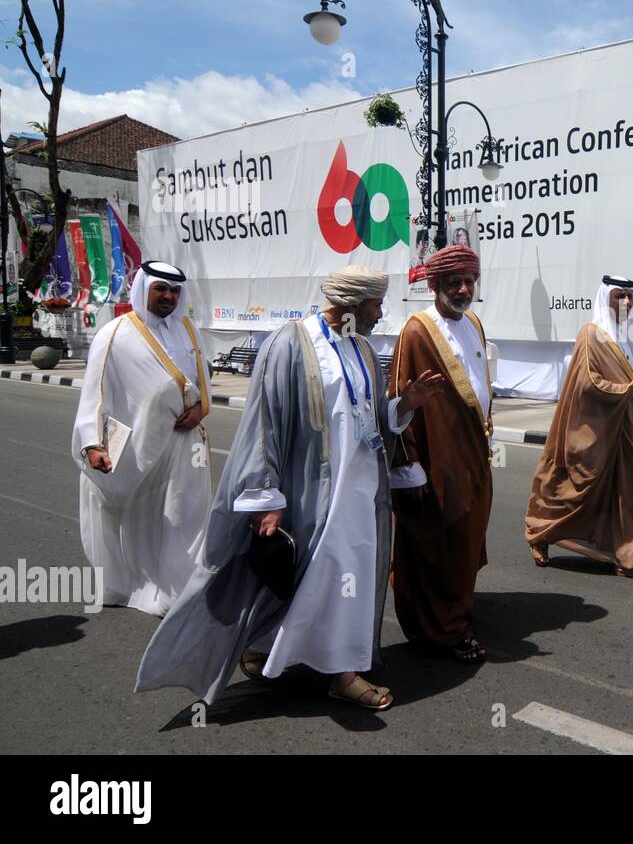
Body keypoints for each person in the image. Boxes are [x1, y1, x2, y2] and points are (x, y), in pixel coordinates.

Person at [136, 266, 442, 710]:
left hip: (360, 496)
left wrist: (403, 406)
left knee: (343, 583)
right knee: (308, 579)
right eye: (375, 304)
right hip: (310, 496)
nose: (380, 312)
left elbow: (370, 421)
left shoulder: (362, 349)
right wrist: (265, 498)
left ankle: (333, 666)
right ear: (352, 304)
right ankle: (328, 669)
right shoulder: (290, 344)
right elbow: (264, 425)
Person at [71, 260, 211, 616]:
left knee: (185, 515)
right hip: (137, 448)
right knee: (137, 519)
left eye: (174, 291)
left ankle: (181, 591)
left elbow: (202, 379)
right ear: (143, 289)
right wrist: (92, 443)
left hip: (185, 444)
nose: (168, 296)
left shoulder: (187, 330)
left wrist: (201, 409)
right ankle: (139, 584)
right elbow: (95, 393)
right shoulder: (115, 333)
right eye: (160, 289)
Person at [388, 244, 494, 663]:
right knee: (438, 539)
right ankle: (444, 630)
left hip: (473, 453)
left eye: (469, 281)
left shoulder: (474, 324)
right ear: (435, 285)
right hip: (435, 456)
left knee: (465, 536)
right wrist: (408, 465)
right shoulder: (417, 331)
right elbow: (398, 400)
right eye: (454, 282)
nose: (463, 289)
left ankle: (455, 608)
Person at [524, 275, 633, 581]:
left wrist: (631, 399)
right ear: (605, 298)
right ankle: (540, 533)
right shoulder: (591, 333)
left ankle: (629, 558)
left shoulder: (628, 336)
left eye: (629, 297)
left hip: (626, 426)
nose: (625, 302)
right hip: (597, 429)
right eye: (618, 296)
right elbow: (587, 381)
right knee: (577, 491)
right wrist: (626, 392)